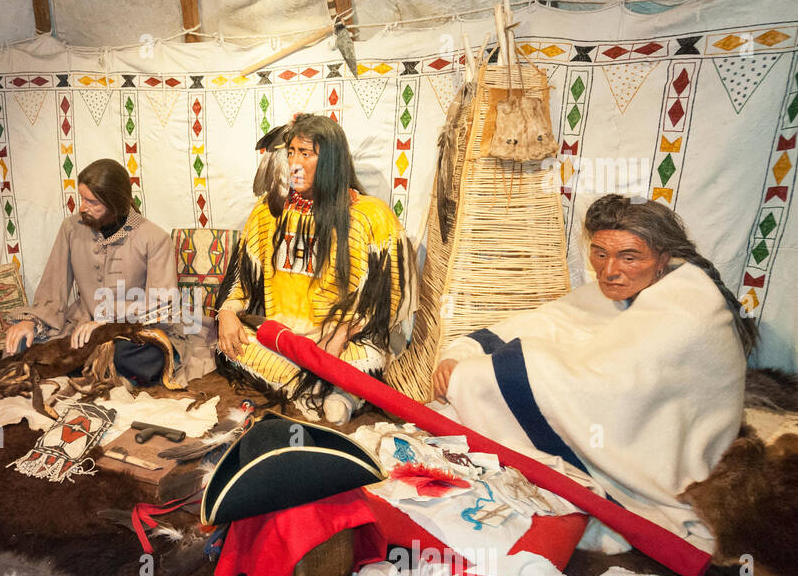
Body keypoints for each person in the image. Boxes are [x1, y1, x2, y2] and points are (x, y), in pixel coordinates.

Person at [431, 193, 755, 549]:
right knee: (476, 380)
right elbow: (552, 321)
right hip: (620, 409)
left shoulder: (689, 306)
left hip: (660, 441)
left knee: (493, 379)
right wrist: (463, 352)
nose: (609, 270)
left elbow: (615, 389)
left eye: (629, 257)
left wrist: (495, 373)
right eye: (600, 253)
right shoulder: (626, 284)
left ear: (663, 258)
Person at [216, 114, 416, 424]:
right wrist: (227, 315)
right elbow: (241, 280)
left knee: (370, 357)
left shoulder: (370, 215)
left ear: (330, 161)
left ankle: (328, 387)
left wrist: (340, 335)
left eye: (306, 153)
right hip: (282, 341)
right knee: (230, 346)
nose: (294, 162)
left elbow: (384, 301)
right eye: (291, 152)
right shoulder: (268, 212)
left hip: (342, 340)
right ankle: (333, 390)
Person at [3, 158, 198, 385]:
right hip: (81, 326)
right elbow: (53, 288)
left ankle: (82, 363)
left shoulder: (154, 238)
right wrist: (31, 322)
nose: (82, 207)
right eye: (82, 199)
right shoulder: (71, 228)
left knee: (138, 357)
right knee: (20, 345)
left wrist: (108, 323)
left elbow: (161, 304)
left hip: (133, 330)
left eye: (92, 202)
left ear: (115, 202)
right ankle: (87, 362)